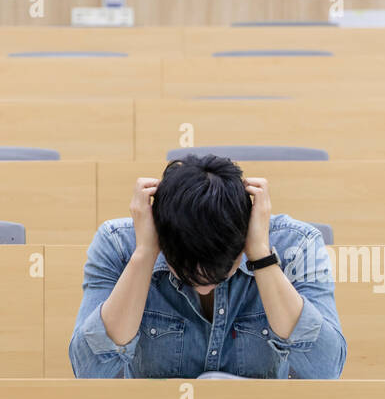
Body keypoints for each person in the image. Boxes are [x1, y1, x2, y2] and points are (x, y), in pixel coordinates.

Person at [69, 153, 346, 379]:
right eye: (186, 270)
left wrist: (261, 256)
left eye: (220, 270)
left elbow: (325, 369)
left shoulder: (298, 244)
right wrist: (144, 254)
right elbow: (90, 371)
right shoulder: (118, 245)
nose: (204, 284)